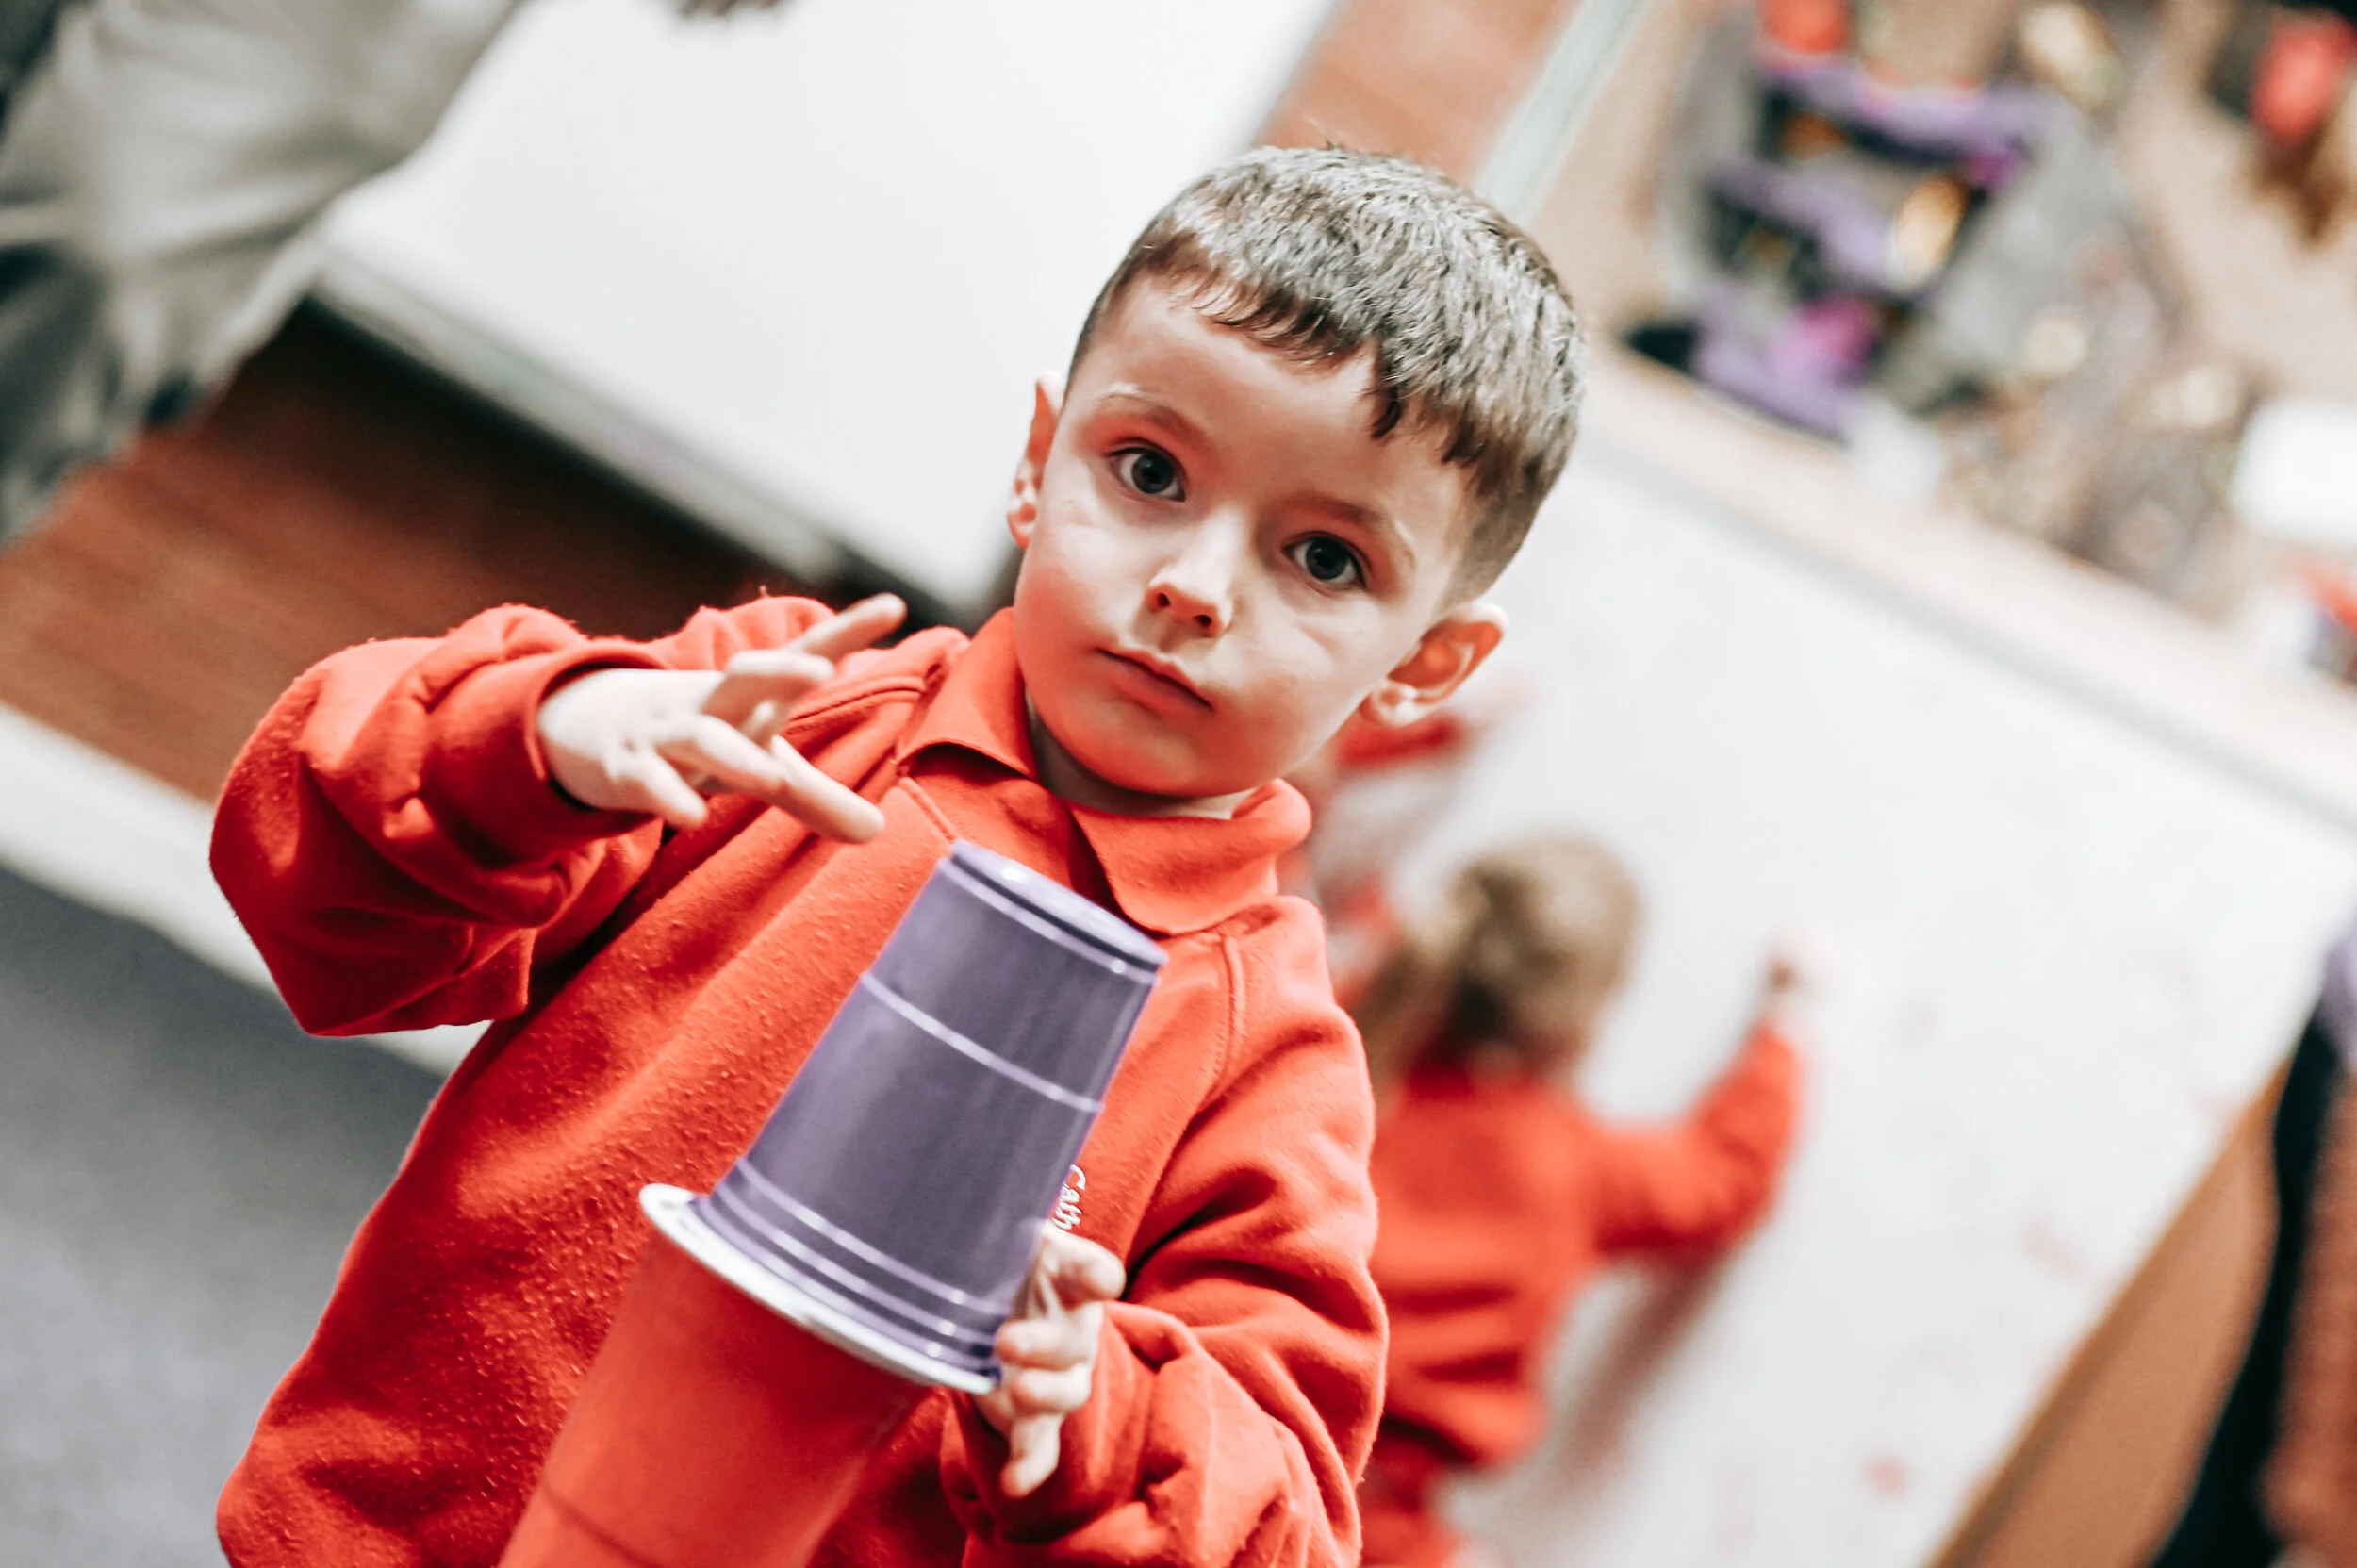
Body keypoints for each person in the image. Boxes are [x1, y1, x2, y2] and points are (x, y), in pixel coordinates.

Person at [205, 147, 1587, 1568]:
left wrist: (1094, 1409)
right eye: (1151, 470)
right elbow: (317, 881)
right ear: (1036, 468)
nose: (1195, 585)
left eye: (1325, 558)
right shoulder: (773, 712)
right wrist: (545, 743)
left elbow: (1278, 1510)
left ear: (1427, 663)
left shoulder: (1269, 1059)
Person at [1349, 838, 1804, 1568]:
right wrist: (1787, 1024)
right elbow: (1725, 1180)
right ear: (1586, 1015)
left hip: (1214, 1436)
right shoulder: (1573, 1165)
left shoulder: (1337, 1050)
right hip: (1373, 1529)